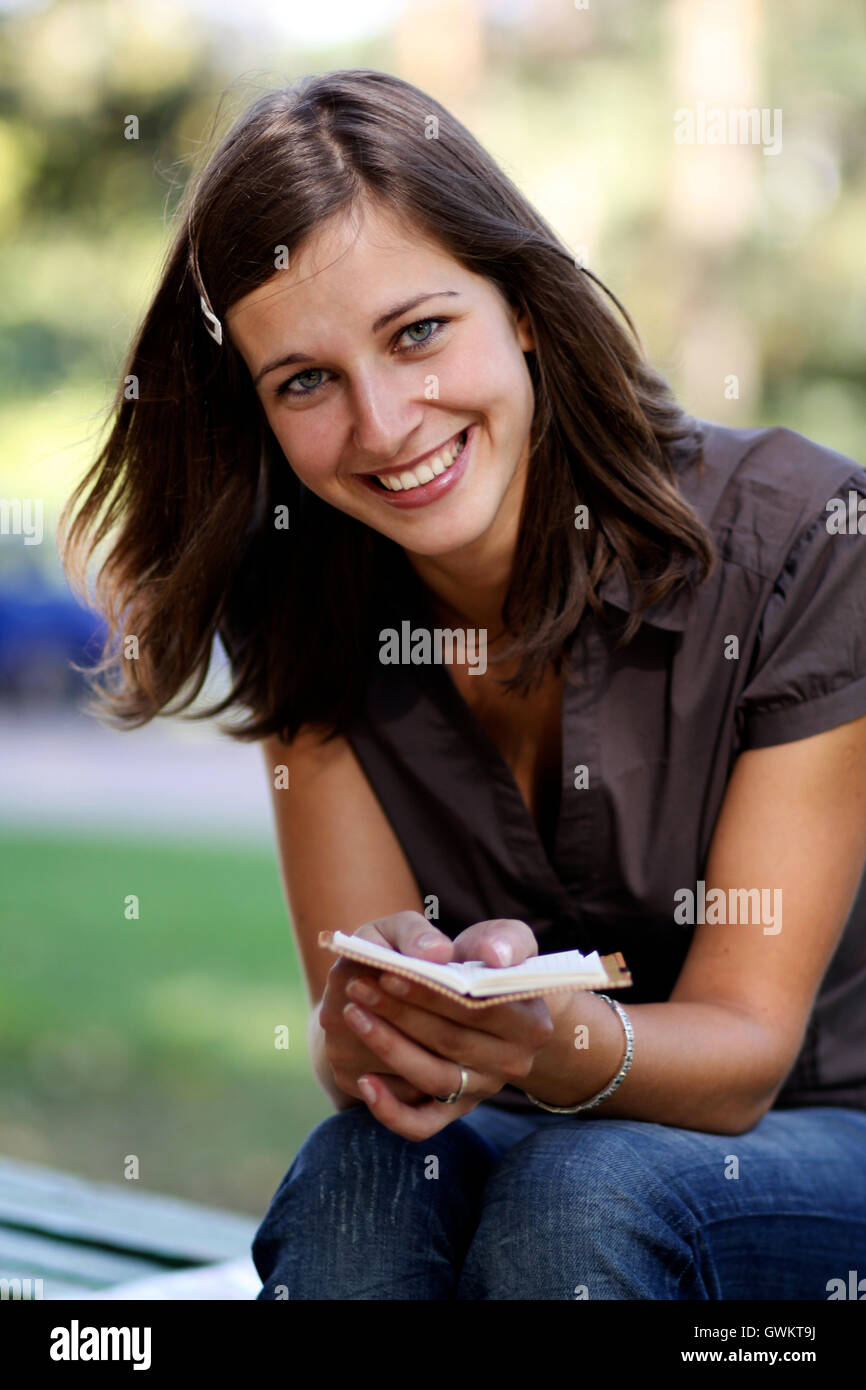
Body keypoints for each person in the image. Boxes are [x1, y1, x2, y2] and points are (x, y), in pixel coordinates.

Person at [58, 70, 866, 1301]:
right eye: (305, 381)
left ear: (521, 306)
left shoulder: (805, 541)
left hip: (824, 1138)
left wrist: (541, 1039)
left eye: (418, 331)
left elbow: (747, 1054)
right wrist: (389, 1021)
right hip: (542, 1137)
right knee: (354, 1176)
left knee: (581, 1195)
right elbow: (358, 1069)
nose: (383, 424)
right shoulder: (302, 610)